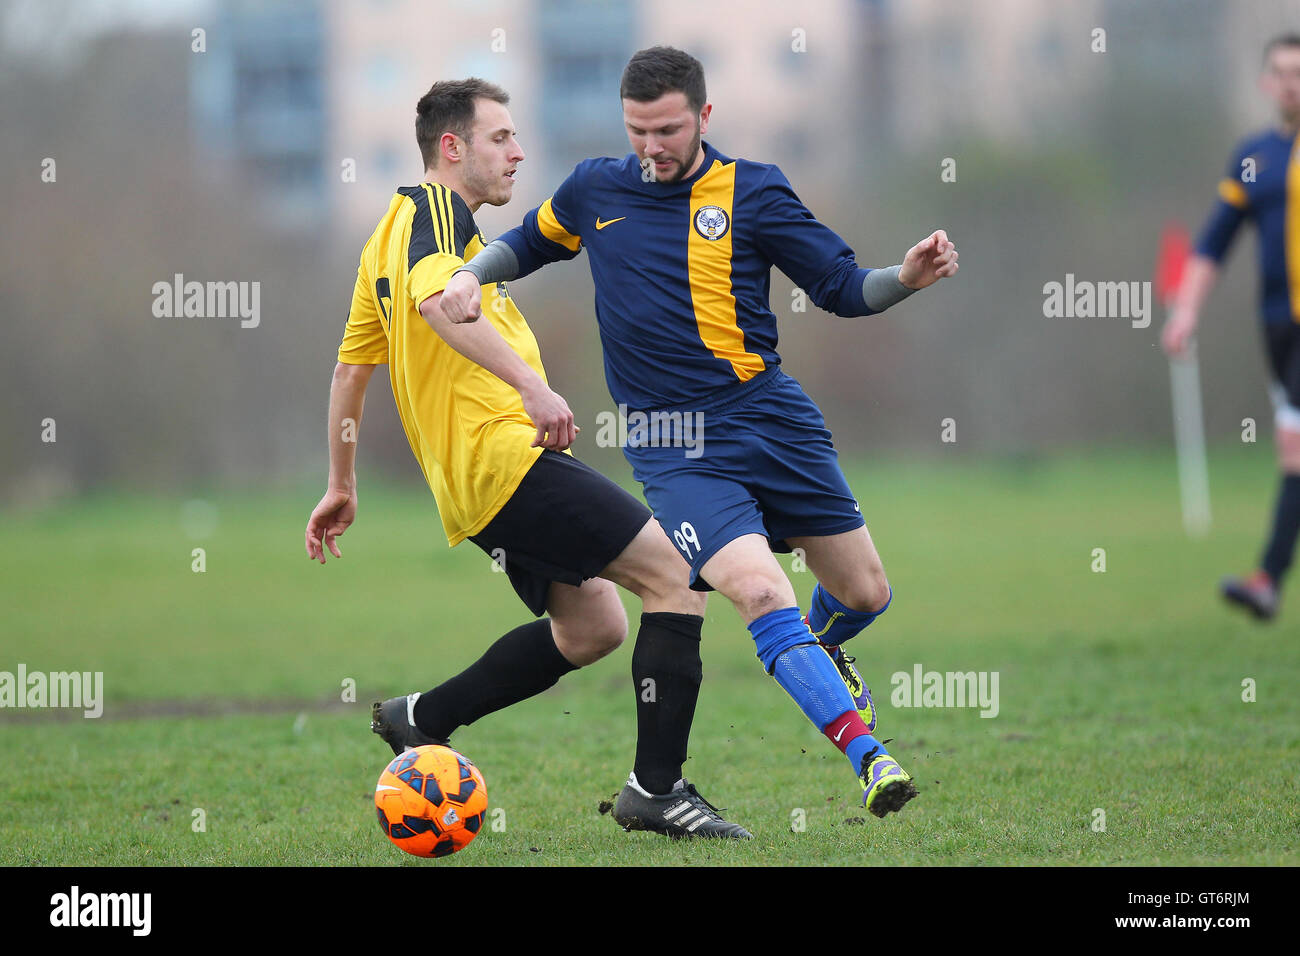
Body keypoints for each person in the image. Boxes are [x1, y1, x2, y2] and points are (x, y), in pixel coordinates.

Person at [440, 47, 958, 818]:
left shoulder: (755, 191)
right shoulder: (593, 189)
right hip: (673, 443)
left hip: (773, 420)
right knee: (754, 589)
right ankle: (871, 759)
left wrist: (904, 279)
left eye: (669, 131)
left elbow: (843, 288)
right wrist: (469, 275)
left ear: (704, 118)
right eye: (638, 131)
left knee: (865, 591)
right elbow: (530, 241)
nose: (652, 147)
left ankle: (824, 646)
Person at [304, 78, 750, 839]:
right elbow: (442, 307)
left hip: (478, 481)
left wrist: (340, 483)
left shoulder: (389, 236)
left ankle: (425, 716)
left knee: (593, 630)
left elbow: (352, 370)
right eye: (500, 138)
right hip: (505, 460)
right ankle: (658, 789)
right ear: (453, 148)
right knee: (677, 576)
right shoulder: (432, 217)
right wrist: (533, 388)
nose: (518, 152)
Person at [1163, 33, 1300, 622]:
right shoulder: (1254, 158)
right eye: (1283, 72)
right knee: (1293, 453)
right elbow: (1213, 242)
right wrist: (1186, 310)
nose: (1293, 82)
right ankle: (1268, 579)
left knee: (1296, 450)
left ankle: (1268, 576)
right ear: (1267, 82)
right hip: (1278, 330)